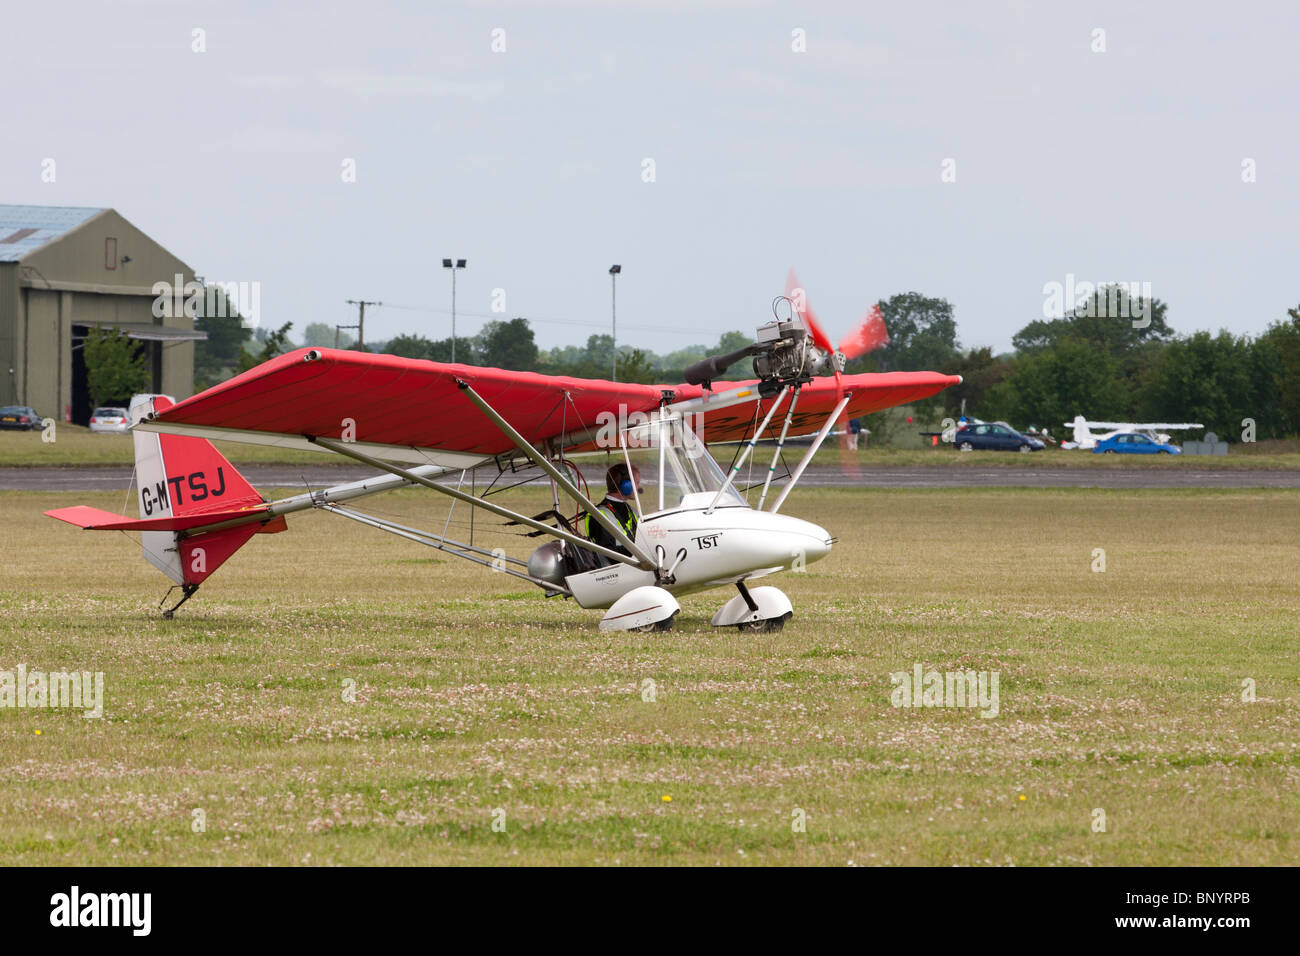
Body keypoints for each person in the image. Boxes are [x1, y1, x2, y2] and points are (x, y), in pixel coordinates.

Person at [584, 463, 641, 560]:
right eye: (637, 483)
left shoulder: (633, 511)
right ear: (626, 485)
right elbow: (607, 554)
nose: (639, 488)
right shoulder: (599, 515)